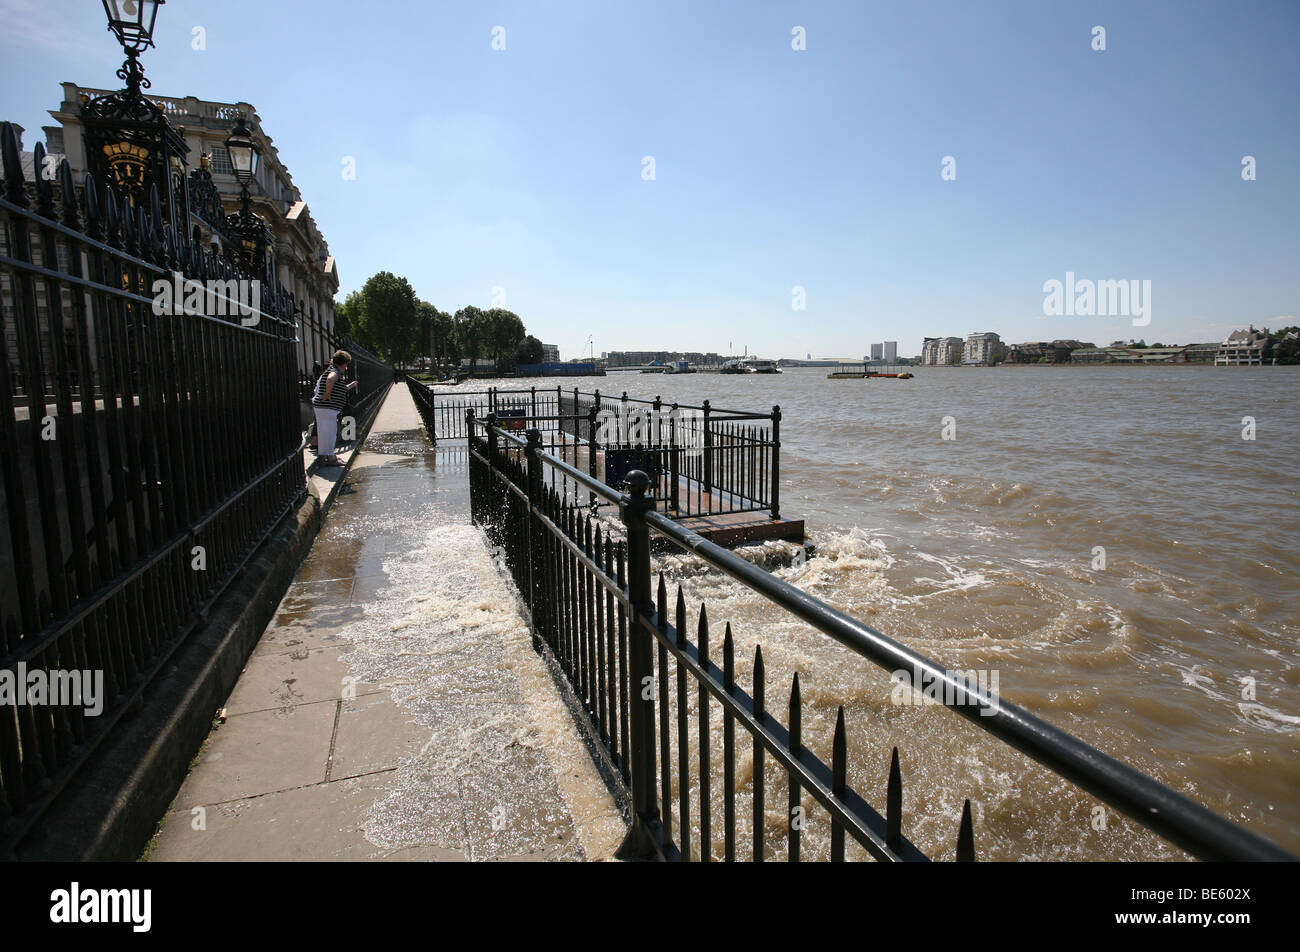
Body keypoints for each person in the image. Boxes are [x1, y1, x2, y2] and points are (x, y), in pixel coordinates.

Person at [312, 350, 357, 466]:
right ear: (344, 363)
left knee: (327, 432)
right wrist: (327, 393)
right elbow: (330, 379)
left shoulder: (331, 370)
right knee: (330, 433)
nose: (346, 367)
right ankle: (331, 458)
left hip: (324, 407)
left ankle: (331, 455)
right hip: (327, 407)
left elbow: (337, 387)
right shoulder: (335, 371)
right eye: (347, 364)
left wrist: (351, 385)